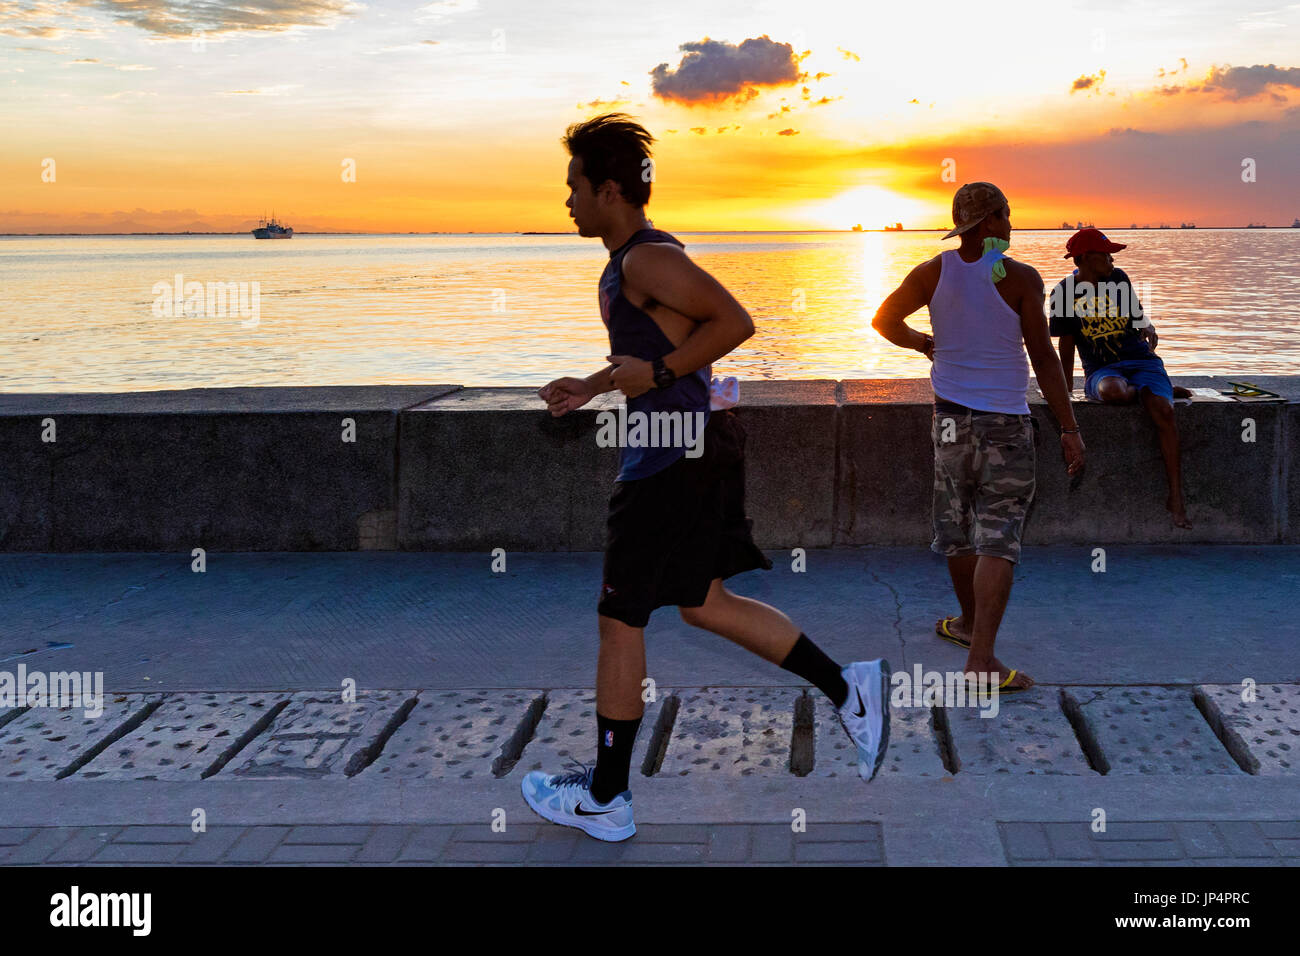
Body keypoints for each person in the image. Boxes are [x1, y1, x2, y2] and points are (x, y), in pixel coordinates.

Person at [524, 113, 890, 843]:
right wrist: (598, 383)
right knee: (703, 602)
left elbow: (735, 321)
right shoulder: (636, 261)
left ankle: (605, 796)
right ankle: (851, 689)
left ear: (608, 190)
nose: (565, 202)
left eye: (572, 187)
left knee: (619, 620)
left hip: (670, 461)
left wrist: (654, 374)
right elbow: (667, 344)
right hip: (696, 448)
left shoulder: (643, 260)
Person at [872, 182, 1085, 694]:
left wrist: (927, 344)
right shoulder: (1021, 279)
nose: (1011, 223)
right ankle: (983, 662)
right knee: (999, 538)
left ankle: (968, 627)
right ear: (988, 221)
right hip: (1004, 426)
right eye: (1006, 214)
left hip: (949, 423)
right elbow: (1044, 357)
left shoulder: (931, 272)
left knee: (957, 528)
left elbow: (883, 320)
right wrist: (1069, 427)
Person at [1049, 228, 1192, 528]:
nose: (1112, 259)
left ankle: (1176, 496)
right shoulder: (1063, 292)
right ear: (1086, 258)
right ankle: (1149, 391)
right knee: (1113, 391)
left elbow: (1138, 318)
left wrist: (1149, 327)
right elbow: (1066, 343)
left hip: (1141, 361)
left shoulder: (1119, 279)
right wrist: (1064, 390)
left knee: (1164, 412)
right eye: (1106, 254)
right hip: (1103, 370)